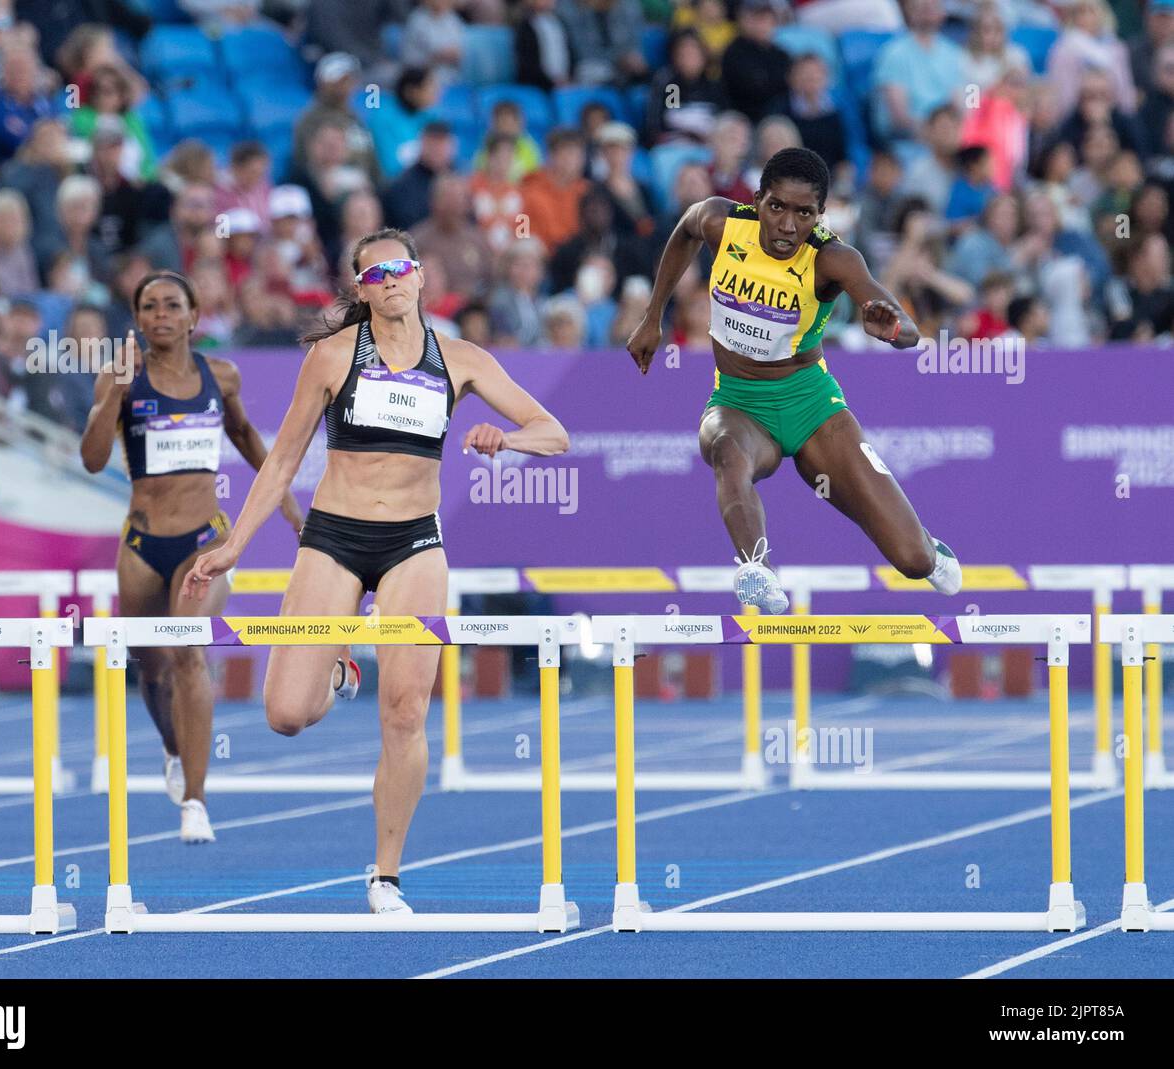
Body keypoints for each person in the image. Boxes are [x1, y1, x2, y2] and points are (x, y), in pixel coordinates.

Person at [180, 228, 568, 914]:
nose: (389, 279)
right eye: (374, 272)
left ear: (421, 276)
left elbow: (553, 431)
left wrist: (503, 438)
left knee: (407, 709)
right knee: (285, 714)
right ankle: (337, 669)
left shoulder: (463, 358)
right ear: (361, 287)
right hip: (334, 537)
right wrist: (234, 544)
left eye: (400, 267)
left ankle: (385, 874)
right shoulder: (332, 356)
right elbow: (280, 460)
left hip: (415, 543)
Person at [625, 147, 962, 614]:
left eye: (804, 213)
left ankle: (927, 544)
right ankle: (756, 569)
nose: (787, 226)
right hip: (738, 402)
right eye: (777, 207)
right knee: (726, 451)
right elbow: (684, 232)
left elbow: (907, 329)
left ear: (820, 215)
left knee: (911, 560)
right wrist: (652, 316)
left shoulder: (834, 259)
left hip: (812, 407)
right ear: (758, 199)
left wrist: (893, 330)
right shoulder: (721, 222)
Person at [80, 270, 302, 843]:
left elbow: (248, 437)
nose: (161, 315)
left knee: (188, 649)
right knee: (149, 667)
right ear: (137, 319)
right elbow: (92, 456)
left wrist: (284, 501)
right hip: (141, 542)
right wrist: (114, 396)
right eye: (149, 306)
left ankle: (197, 802)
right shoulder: (121, 377)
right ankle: (175, 747)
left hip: (204, 540)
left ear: (194, 315)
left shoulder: (220, 375)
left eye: (172, 305)